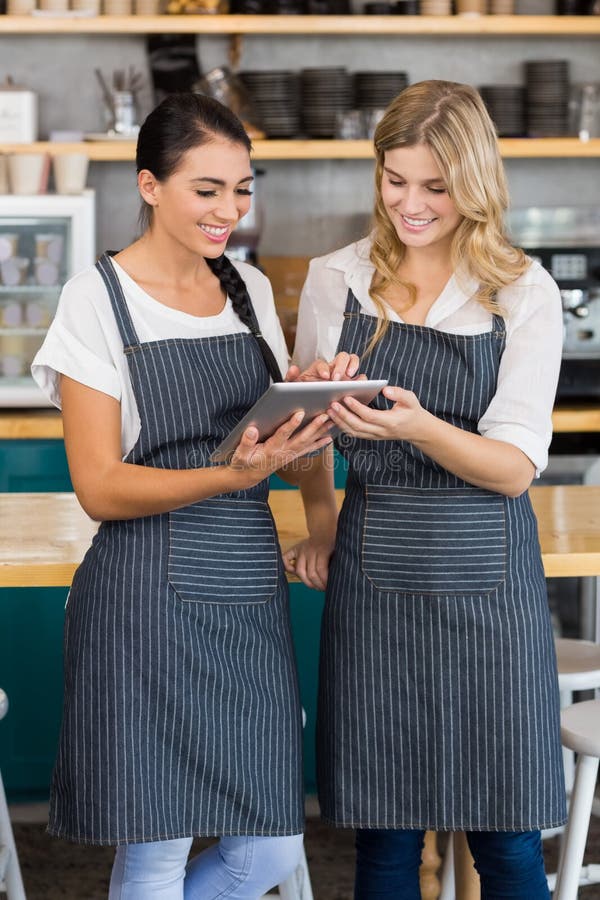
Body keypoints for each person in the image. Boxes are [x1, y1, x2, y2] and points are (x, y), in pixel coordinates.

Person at [31, 92, 334, 899]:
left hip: (244, 591)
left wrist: (311, 417)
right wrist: (232, 475)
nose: (229, 209)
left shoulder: (250, 290)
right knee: (159, 848)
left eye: (242, 188)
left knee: (269, 849)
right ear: (150, 185)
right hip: (144, 599)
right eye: (207, 189)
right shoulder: (95, 301)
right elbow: (99, 487)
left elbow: (282, 453)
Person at [287, 79, 566, 899]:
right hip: (375, 582)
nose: (410, 204)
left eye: (435, 187)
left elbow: (512, 467)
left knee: (508, 841)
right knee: (386, 840)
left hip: (489, 586)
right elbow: (305, 439)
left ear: (473, 184)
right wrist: (322, 515)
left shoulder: (521, 292)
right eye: (394, 179)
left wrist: (418, 427)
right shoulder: (336, 279)